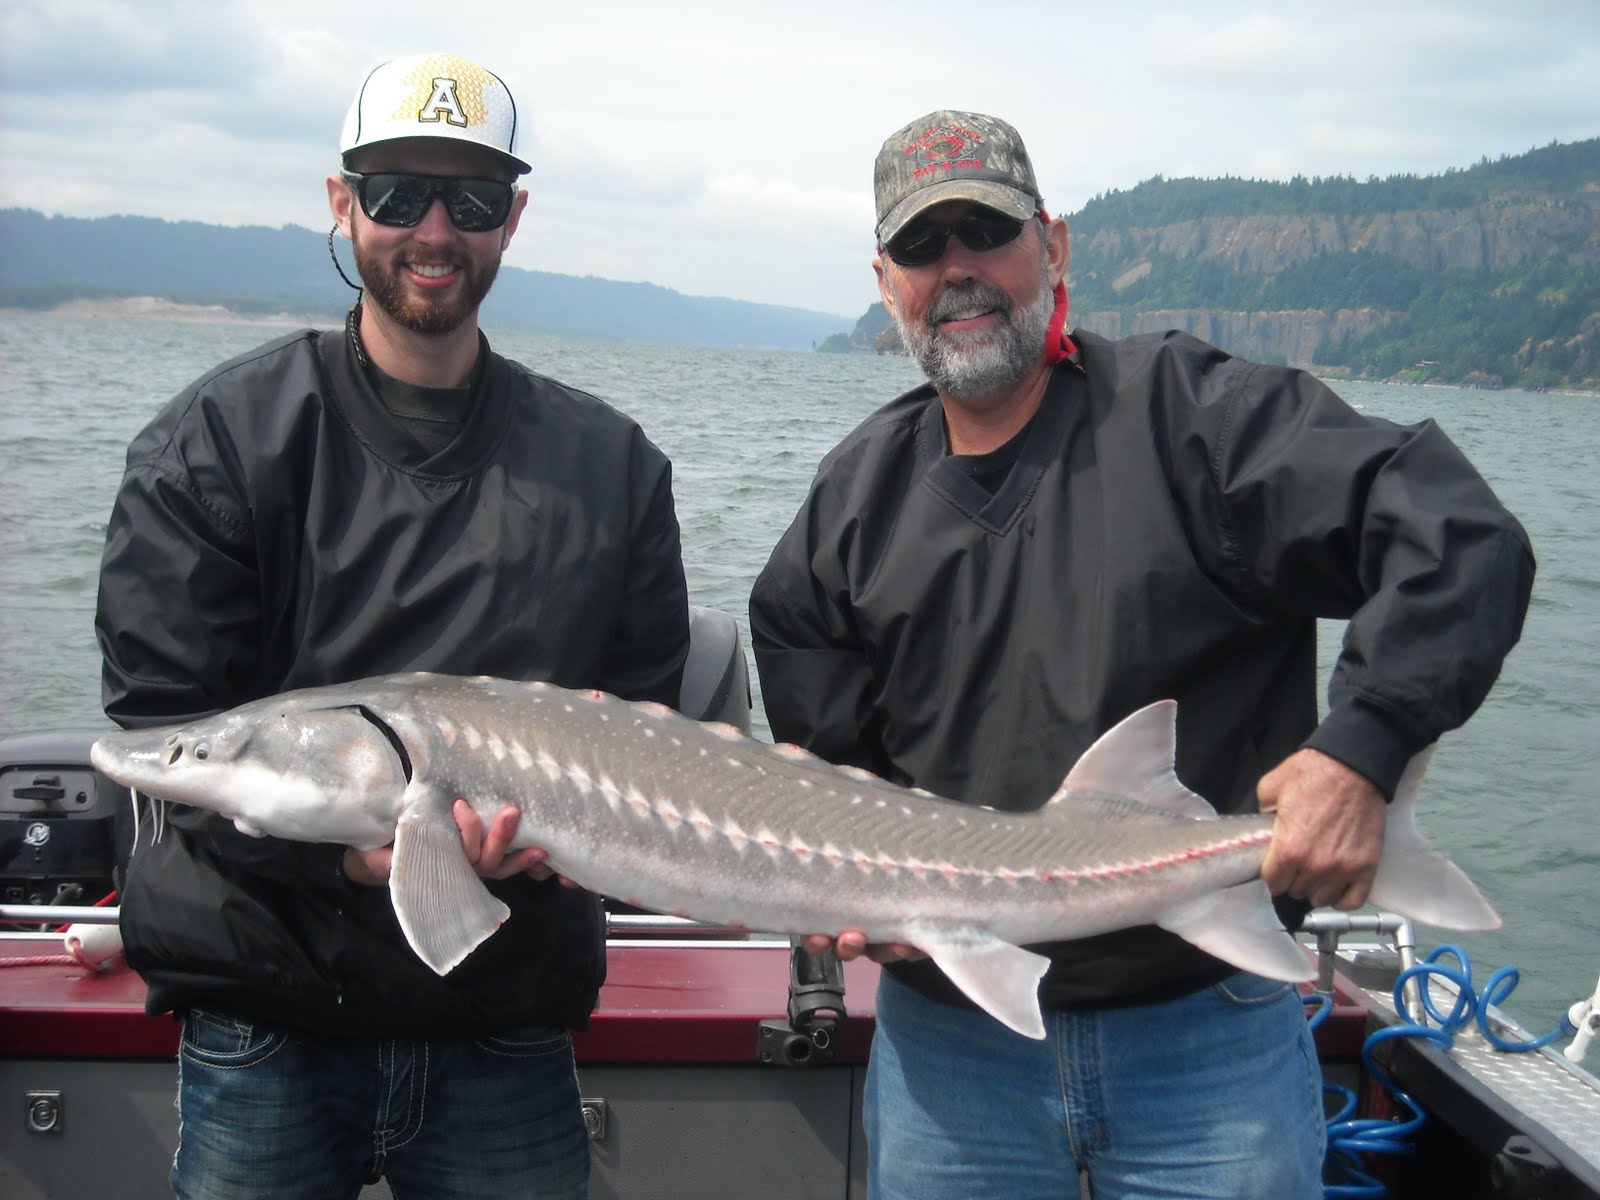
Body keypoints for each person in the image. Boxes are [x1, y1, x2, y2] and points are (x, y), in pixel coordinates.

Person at [750, 109, 1534, 1199]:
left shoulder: (1194, 423)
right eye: (924, 248)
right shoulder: (847, 508)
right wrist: (848, 910)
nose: (959, 270)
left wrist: (1362, 748)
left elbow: (1461, 536)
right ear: (885, 282)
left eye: (987, 230)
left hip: (1206, 1035)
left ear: (1054, 245)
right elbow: (828, 777)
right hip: (952, 1052)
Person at [96, 52, 689, 1199]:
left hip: (503, 1026)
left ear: (510, 219)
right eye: (394, 194)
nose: (431, 229)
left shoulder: (611, 469)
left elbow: (644, 726)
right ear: (340, 204)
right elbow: (170, 735)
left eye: (468, 201)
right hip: (266, 1018)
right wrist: (355, 867)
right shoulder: (213, 445)